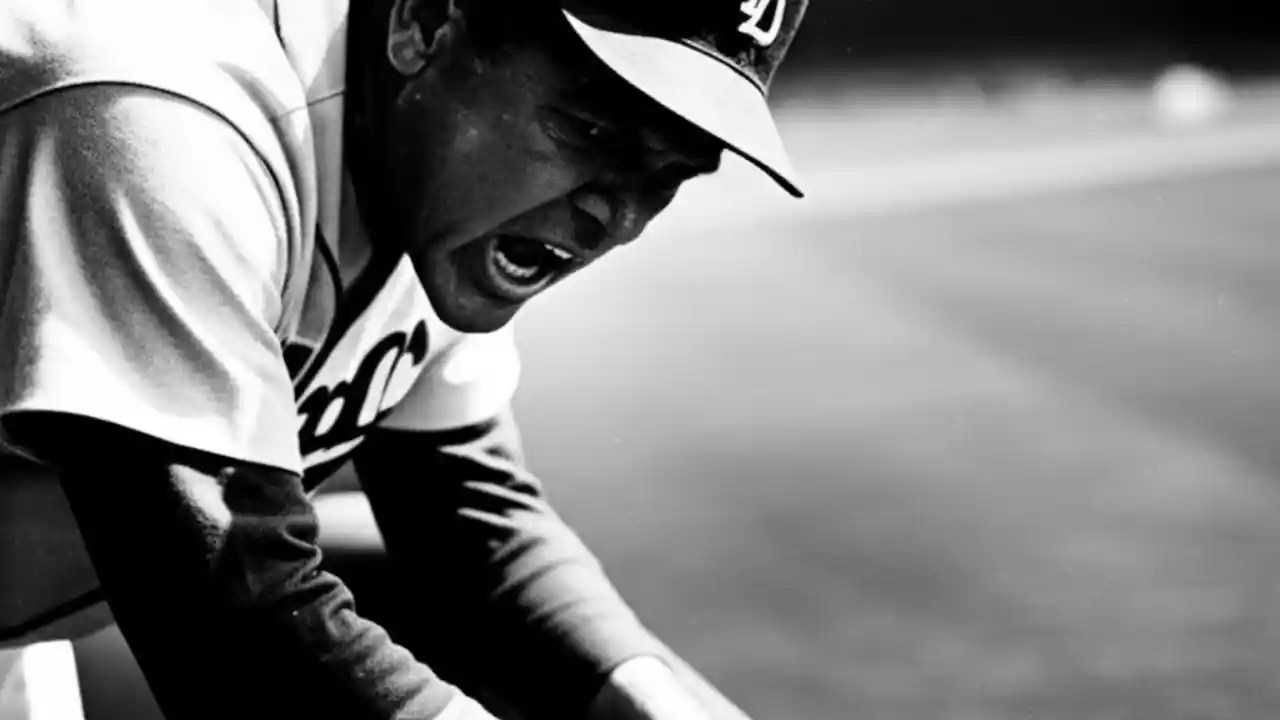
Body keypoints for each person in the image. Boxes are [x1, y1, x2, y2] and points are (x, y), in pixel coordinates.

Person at [0, 0, 807, 717]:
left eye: (666, 175)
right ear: (423, 20)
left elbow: (462, 510)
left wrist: (650, 693)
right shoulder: (163, 116)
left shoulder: (441, 170)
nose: (616, 218)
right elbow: (228, 620)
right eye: (586, 130)